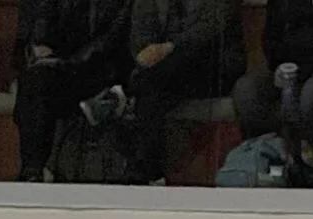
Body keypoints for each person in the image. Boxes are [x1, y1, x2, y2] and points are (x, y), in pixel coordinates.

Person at [105, 0, 245, 185]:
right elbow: (140, 38)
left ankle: (122, 97)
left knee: (154, 80)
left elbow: (209, 30)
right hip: (164, 75)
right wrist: (146, 55)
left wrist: (169, 48)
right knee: (153, 93)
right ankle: (148, 171)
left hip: (213, 66)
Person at [12, 0, 132, 180]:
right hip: (66, 69)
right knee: (34, 82)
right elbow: (41, 26)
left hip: (108, 69)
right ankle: (32, 171)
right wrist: (41, 46)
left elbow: (113, 38)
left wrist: (68, 63)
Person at [230, 0, 313, 146]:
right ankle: (263, 156)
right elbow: (271, 38)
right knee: (246, 90)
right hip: (294, 67)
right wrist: (280, 67)